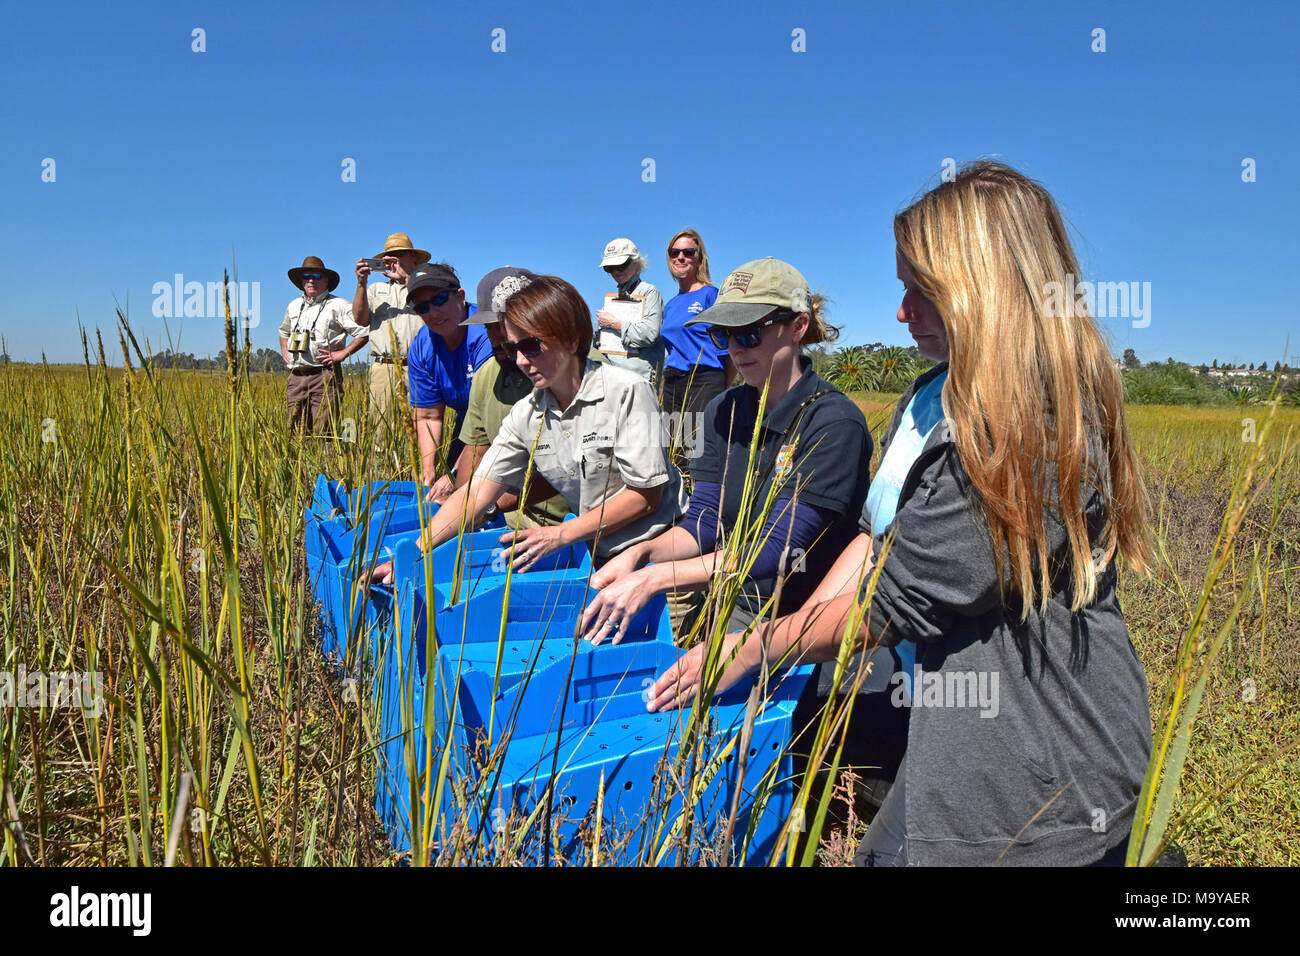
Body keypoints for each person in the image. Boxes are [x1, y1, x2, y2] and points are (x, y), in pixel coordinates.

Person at [645, 161, 1155, 867]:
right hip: (972, 738)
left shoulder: (1016, 429)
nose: (901, 311)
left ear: (986, 292)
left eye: (921, 291)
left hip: (1029, 775)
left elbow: (883, 607)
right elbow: (874, 537)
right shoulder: (948, 400)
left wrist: (749, 649)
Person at [578, 257, 871, 646]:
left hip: (806, 618)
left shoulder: (834, 424)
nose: (735, 348)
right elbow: (703, 520)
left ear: (798, 326)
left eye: (749, 333)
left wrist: (654, 576)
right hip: (729, 596)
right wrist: (644, 552)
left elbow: (776, 549)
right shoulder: (722, 410)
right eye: (724, 334)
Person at [367, 275, 686, 584]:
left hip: (662, 555)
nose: (520, 360)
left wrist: (559, 534)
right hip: (597, 556)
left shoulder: (626, 391)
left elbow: (645, 496)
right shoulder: (528, 413)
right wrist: (414, 553)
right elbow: (477, 492)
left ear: (572, 338)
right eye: (512, 348)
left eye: (532, 346)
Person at [426, 266, 605, 529]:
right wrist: (463, 513)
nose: (500, 338)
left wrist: (488, 506)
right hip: (511, 519)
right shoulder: (487, 376)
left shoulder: (584, 370)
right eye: (491, 327)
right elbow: (475, 450)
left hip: (581, 523)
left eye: (507, 325)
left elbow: (571, 469)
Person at [404, 263, 493, 486]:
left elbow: (489, 418)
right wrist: (429, 472)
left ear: (460, 296)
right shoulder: (422, 347)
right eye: (422, 307)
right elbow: (428, 416)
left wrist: (454, 475)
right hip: (466, 424)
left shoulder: (486, 334)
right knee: (441, 488)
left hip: (500, 422)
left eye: (440, 299)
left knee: (466, 489)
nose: (433, 313)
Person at [659, 229, 735, 466]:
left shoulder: (711, 295)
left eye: (688, 252)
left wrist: (721, 387)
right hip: (672, 382)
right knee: (670, 450)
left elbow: (729, 350)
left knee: (696, 451)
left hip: (704, 379)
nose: (680, 257)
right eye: (675, 252)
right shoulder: (671, 305)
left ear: (699, 258)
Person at [352, 232, 430, 448]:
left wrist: (408, 281)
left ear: (413, 258)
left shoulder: (424, 287)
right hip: (383, 367)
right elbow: (360, 320)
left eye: (399, 254)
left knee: (418, 429)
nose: (393, 259)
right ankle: (381, 475)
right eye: (389, 256)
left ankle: (416, 476)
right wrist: (360, 283)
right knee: (380, 430)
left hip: (418, 367)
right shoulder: (376, 289)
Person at [278, 256, 368, 433]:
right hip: (296, 376)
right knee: (294, 430)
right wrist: (285, 350)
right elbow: (283, 331)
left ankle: (327, 461)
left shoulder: (339, 305)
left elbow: (363, 332)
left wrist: (342, 354)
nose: (311, 280)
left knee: (324, 431)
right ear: (301, 281)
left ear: (327, 280)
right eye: (307, 276)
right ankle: (298, 461)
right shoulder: (294, 306)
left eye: (317, 276)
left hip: (325, 375)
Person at [594, 238, 665, 382]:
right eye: (610, 268)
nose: (616, 271)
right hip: (612, 376)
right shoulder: (611, 300)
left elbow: (650, 334)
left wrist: (615, 324)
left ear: (636, 262)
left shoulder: (649, 292)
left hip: (639, 379)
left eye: (621, 265)